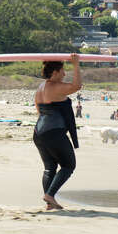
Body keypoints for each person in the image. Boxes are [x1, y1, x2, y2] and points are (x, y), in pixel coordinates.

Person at [33, 55, 81, 211]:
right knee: (68, 165)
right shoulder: (55, 87)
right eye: (62, 71)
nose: (64, 74)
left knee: (50, 168)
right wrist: (76, 64)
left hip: (39, 132)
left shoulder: (40, 88)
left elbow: (39, 110)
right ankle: (50, 195)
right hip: (53, 132)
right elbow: (77, 86)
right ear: (54, 72)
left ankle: (49, 202)